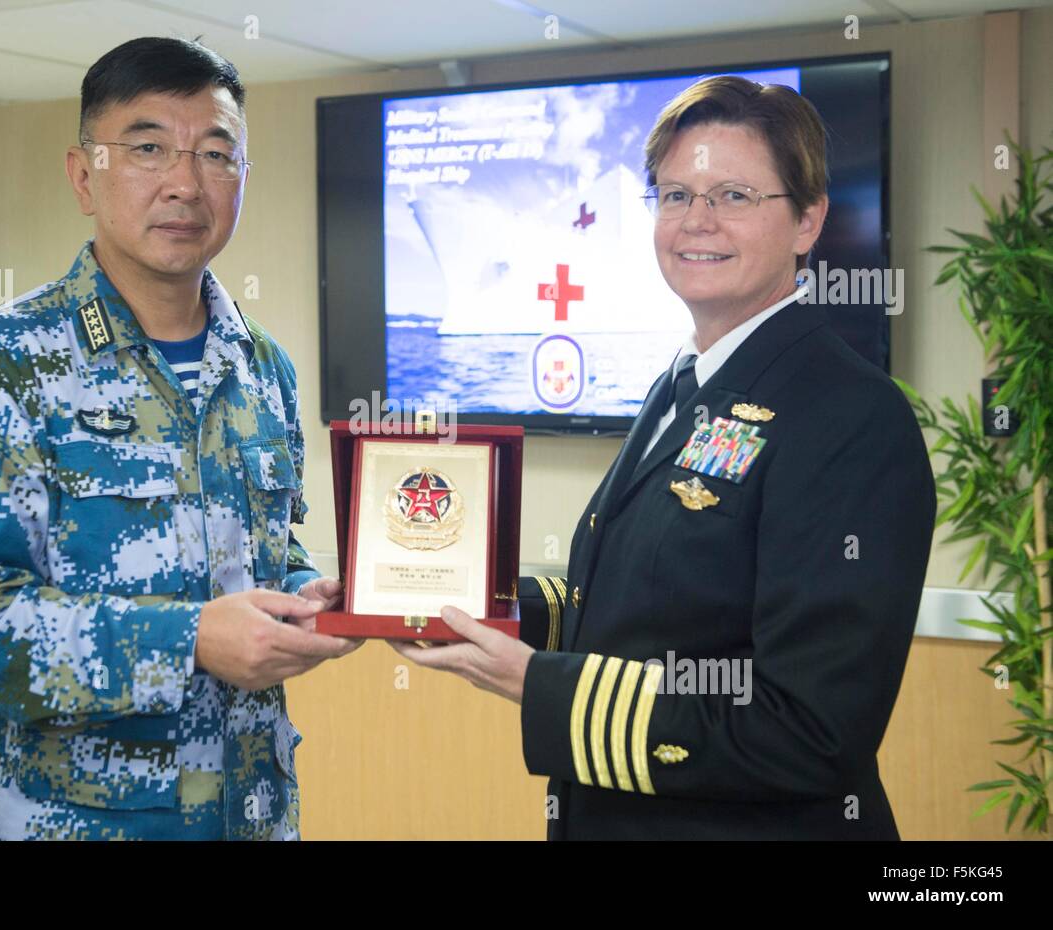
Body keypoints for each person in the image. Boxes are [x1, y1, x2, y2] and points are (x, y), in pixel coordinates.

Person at [394, 76, 936, 840]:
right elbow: (640, 603)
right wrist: (454, 596)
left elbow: (810, 731)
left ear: (808, 220)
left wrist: (545, 688)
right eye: (676, 195)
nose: (696, 222)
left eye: (735, 195)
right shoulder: (683, 383)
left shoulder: (851, 417)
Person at [0, 37, 359, 841]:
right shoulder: (7, 365)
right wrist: (186, 640)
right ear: (85, 176)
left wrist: (311, 597)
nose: (185, 182)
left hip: (251, 815)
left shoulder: (263, 368)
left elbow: (259, 552)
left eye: (217, 154)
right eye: (148, 148)